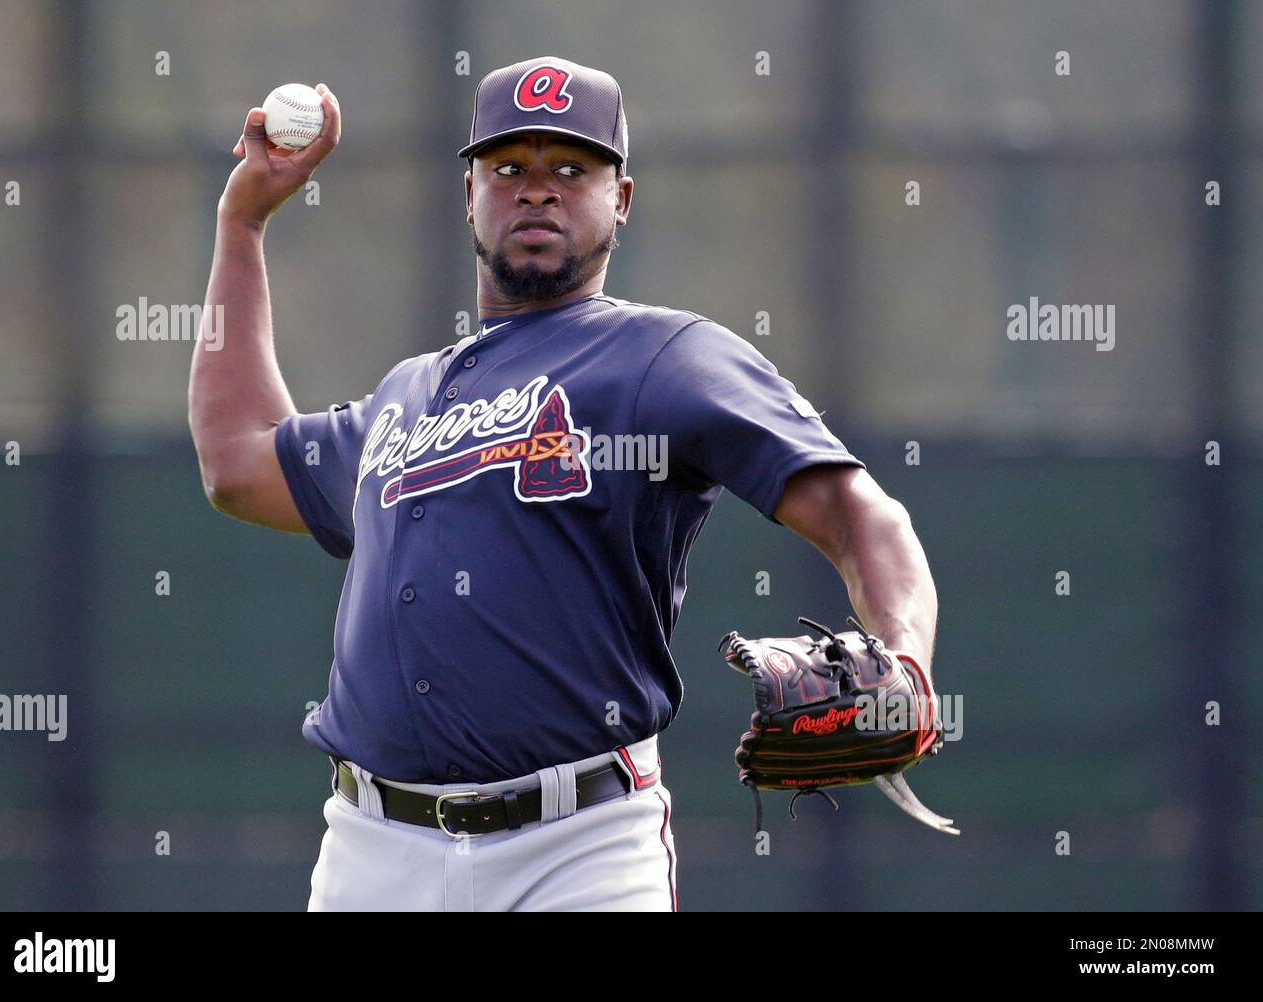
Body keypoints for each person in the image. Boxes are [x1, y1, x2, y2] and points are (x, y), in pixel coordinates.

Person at [188, 57, 938, 911]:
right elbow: (238, 463)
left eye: (570, 170)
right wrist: (242, 223)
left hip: (575, 852)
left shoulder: (666, 358)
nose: (537, 191)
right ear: (467, 192)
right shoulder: (402, 400)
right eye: (509, 169)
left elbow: (859, 514)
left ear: (620, 199)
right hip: (370, 851)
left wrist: (908, 665)